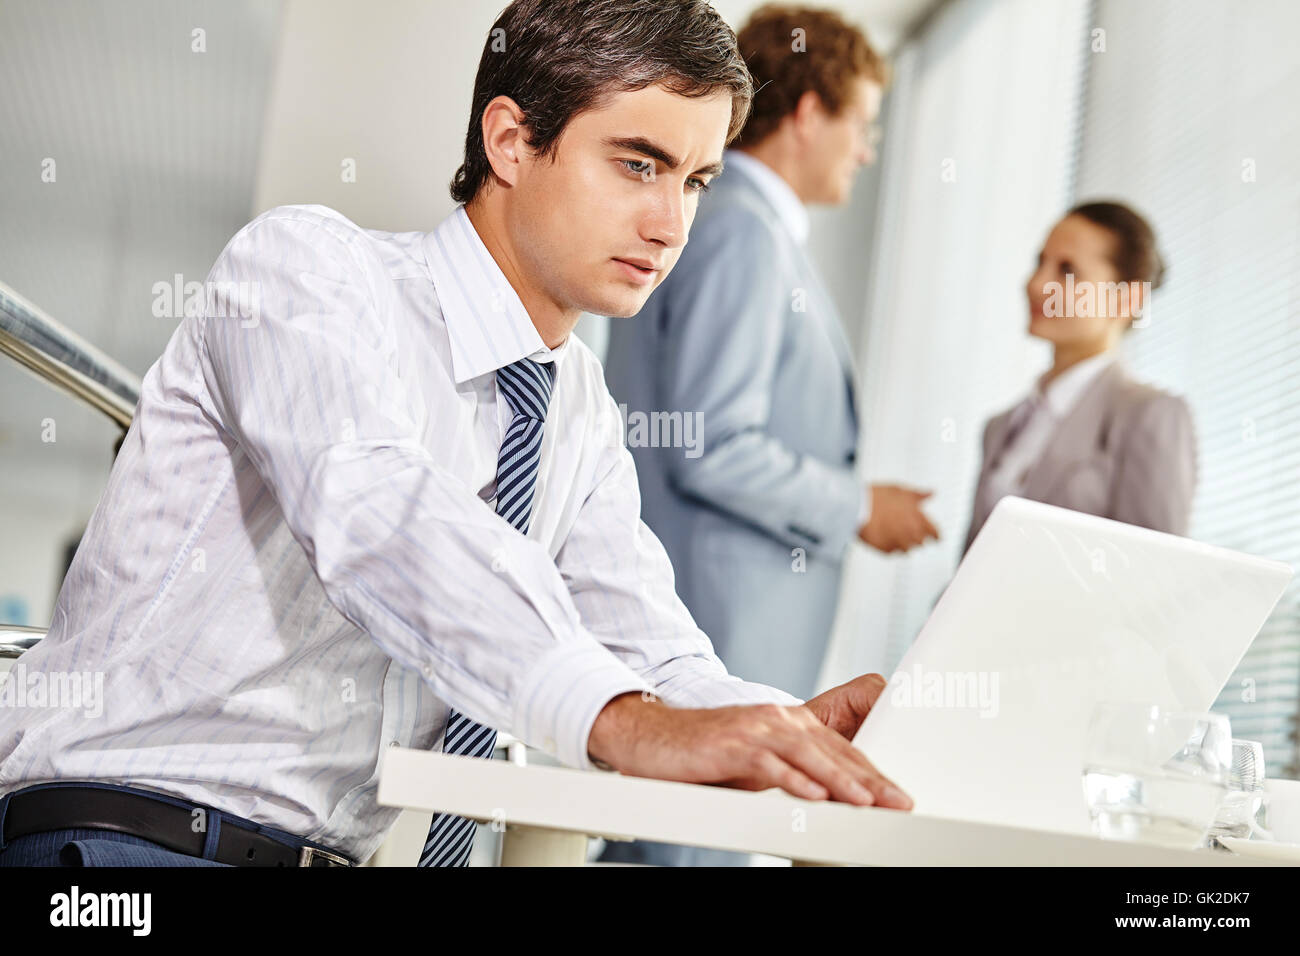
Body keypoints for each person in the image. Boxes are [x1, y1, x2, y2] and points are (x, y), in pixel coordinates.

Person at [0, 0, 911, 870]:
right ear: (511, 140)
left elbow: (649, 644)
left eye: (695, 181)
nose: (670, 225)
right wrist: (626, 722)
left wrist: (786, 727)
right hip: (127, 837)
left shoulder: (576, 408)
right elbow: (381, 518)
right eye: (639, 164)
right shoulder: (309, 272)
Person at [599, 3, 936, 867]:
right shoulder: (745, 234)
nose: (866, 150)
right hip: (715, 627)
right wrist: (858, 504)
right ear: (813, 112)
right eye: (860, 124)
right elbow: (714, 444)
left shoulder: (725, 228)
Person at [962, 201, 1197, 555]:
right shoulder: (1001, 427)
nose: (1037, 283)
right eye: (1040, 263)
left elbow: (1153, 575)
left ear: (1126, 300)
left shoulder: (1151, 415)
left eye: (1067, 271)